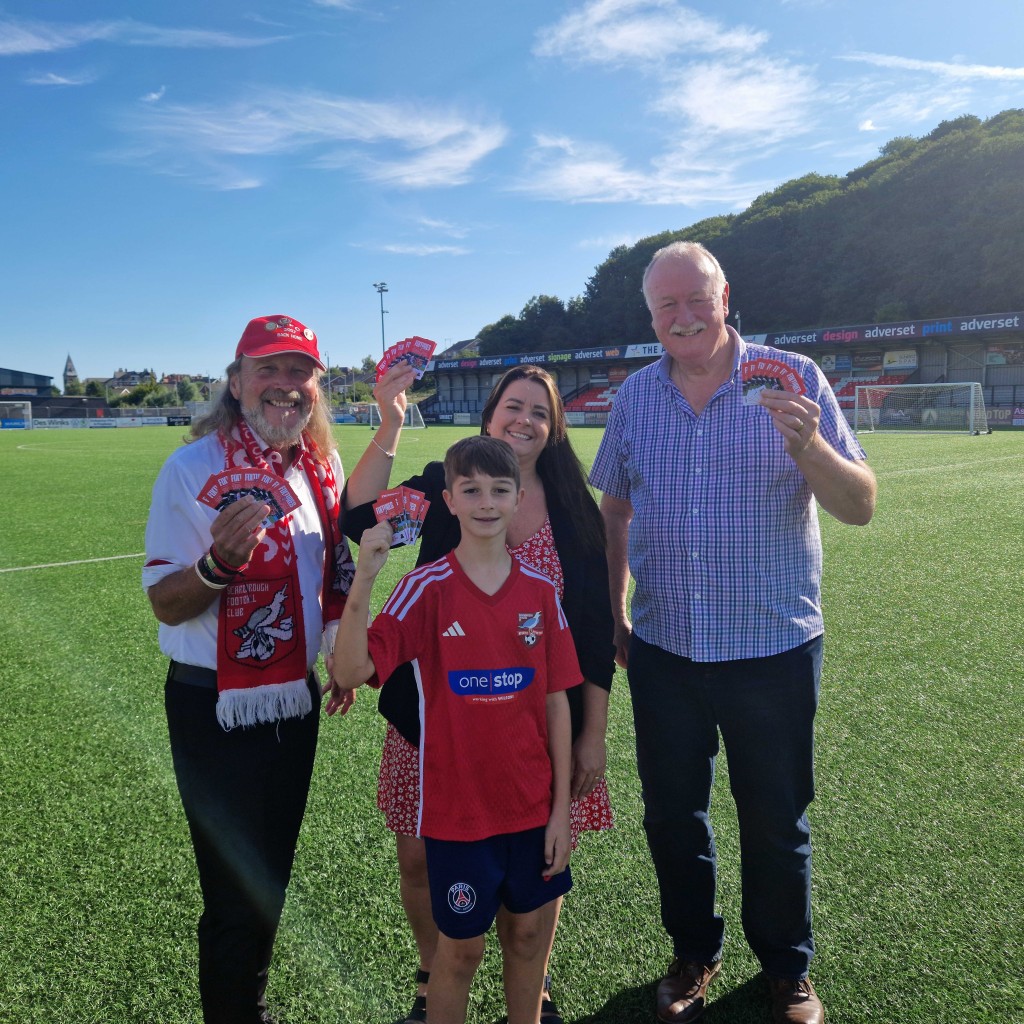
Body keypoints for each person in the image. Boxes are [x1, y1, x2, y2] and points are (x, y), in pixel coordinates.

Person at [589, 242, 876, 1024]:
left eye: (695, 299)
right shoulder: (637, 398)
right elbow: (612, 508)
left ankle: (788, 969)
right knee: (672, 816)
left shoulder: (793, 378)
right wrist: (615, 610)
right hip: (666, 649)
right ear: (651, 317)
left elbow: (859, 505)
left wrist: (808, 444)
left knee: (776, 820)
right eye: (664, 307)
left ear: (725, 296)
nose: (682, 317)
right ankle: (693, 952)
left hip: (773, 649)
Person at [142, 313, 414, 1024]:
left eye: (301, 373)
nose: (286, 386)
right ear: (236, 384)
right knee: (232, 891)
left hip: (292, 704)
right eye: (269, 369)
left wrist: (337, 652)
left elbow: (327, 575)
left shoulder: (317, 470)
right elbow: (165, 603)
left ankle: (249, 1007)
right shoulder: (190, 467)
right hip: (213, 706)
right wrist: (215, 565)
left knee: (270, 878)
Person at [341, 364, 616, 1024]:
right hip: (436, 723)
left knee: (536, 872)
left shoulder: (573, 505)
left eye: (540, 412)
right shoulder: (446, 480)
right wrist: (391, 422)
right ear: (490, 414)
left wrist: (593, 733)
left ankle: (532, 983)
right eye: (513, 406)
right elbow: (357, 516)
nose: (525, 420)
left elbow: (596, 628)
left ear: (554, 429)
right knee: (421, 860)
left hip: (536, 731)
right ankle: (436, 973)